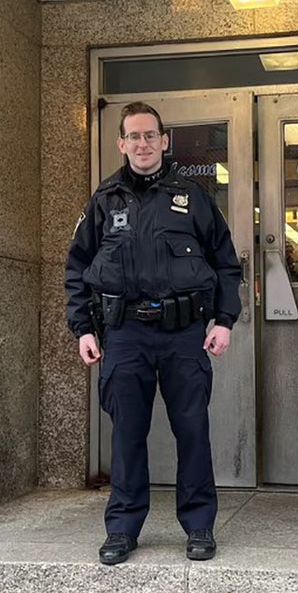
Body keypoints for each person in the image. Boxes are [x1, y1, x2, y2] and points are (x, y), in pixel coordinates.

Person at [65, 101, 242, 566]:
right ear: (121, 144)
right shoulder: (104, 200)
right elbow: (77, 268)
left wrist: (223, 320)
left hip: (184, 333)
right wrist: (83, 328)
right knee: (126, 434)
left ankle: (199, 524)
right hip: (124, 334)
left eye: (151, 135)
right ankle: (122, 528)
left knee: (192, 429)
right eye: (133, 137)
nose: (142, 144)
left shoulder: (193, 196)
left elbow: (226, 263)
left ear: (165, 141)